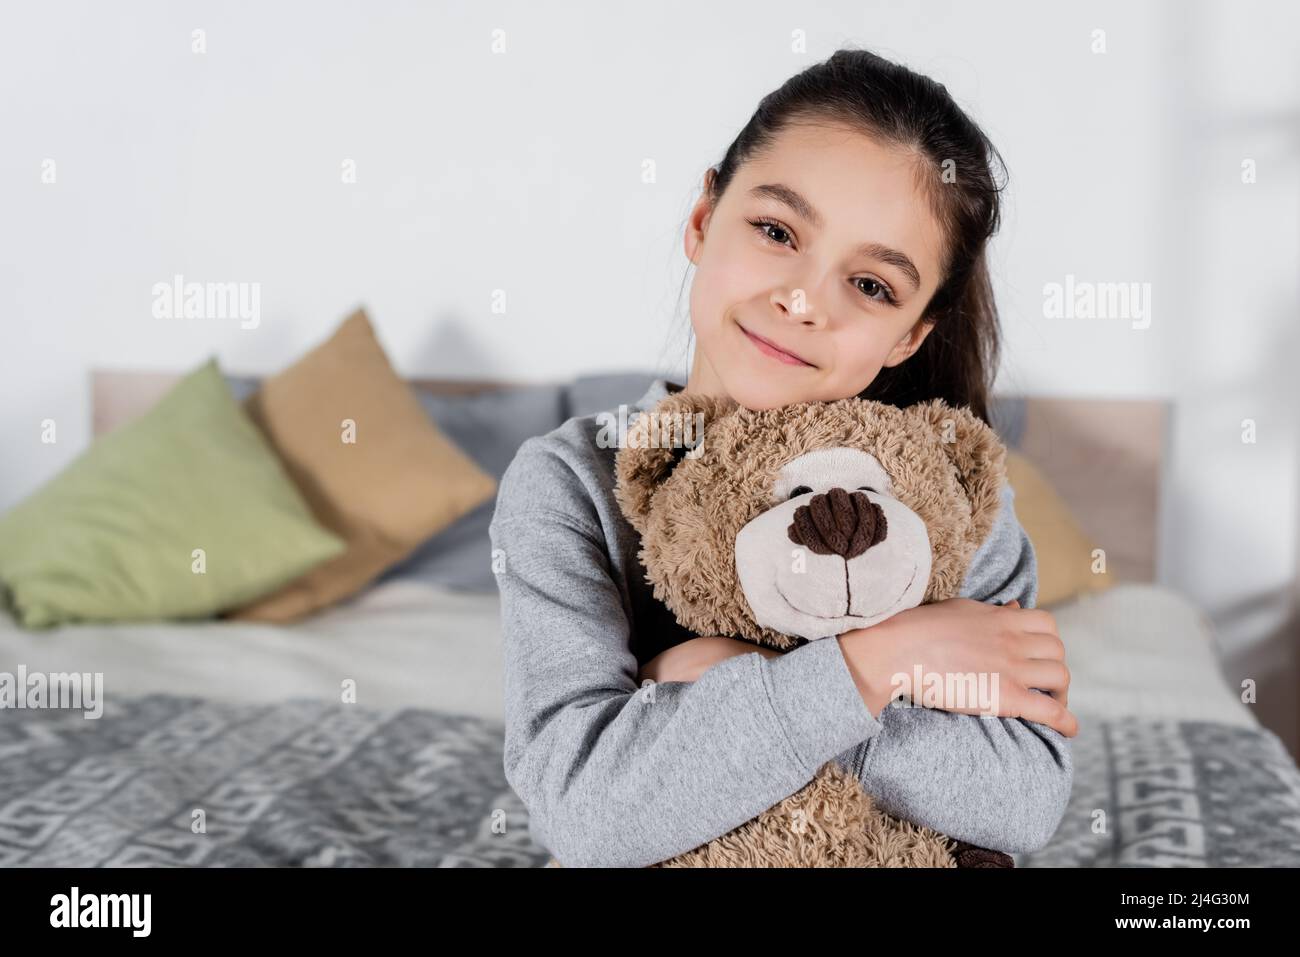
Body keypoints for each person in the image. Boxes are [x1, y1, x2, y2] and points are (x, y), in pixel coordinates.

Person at [489, 46, 1077, 869]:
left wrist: (725, 672)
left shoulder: (949, 497)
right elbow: (586, 810)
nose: (802, 301)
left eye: (870, 285)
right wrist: (880, 663)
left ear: (909, 334)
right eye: (775, 232)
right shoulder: (570, 482)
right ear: (702, 220)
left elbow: (1020, 799)